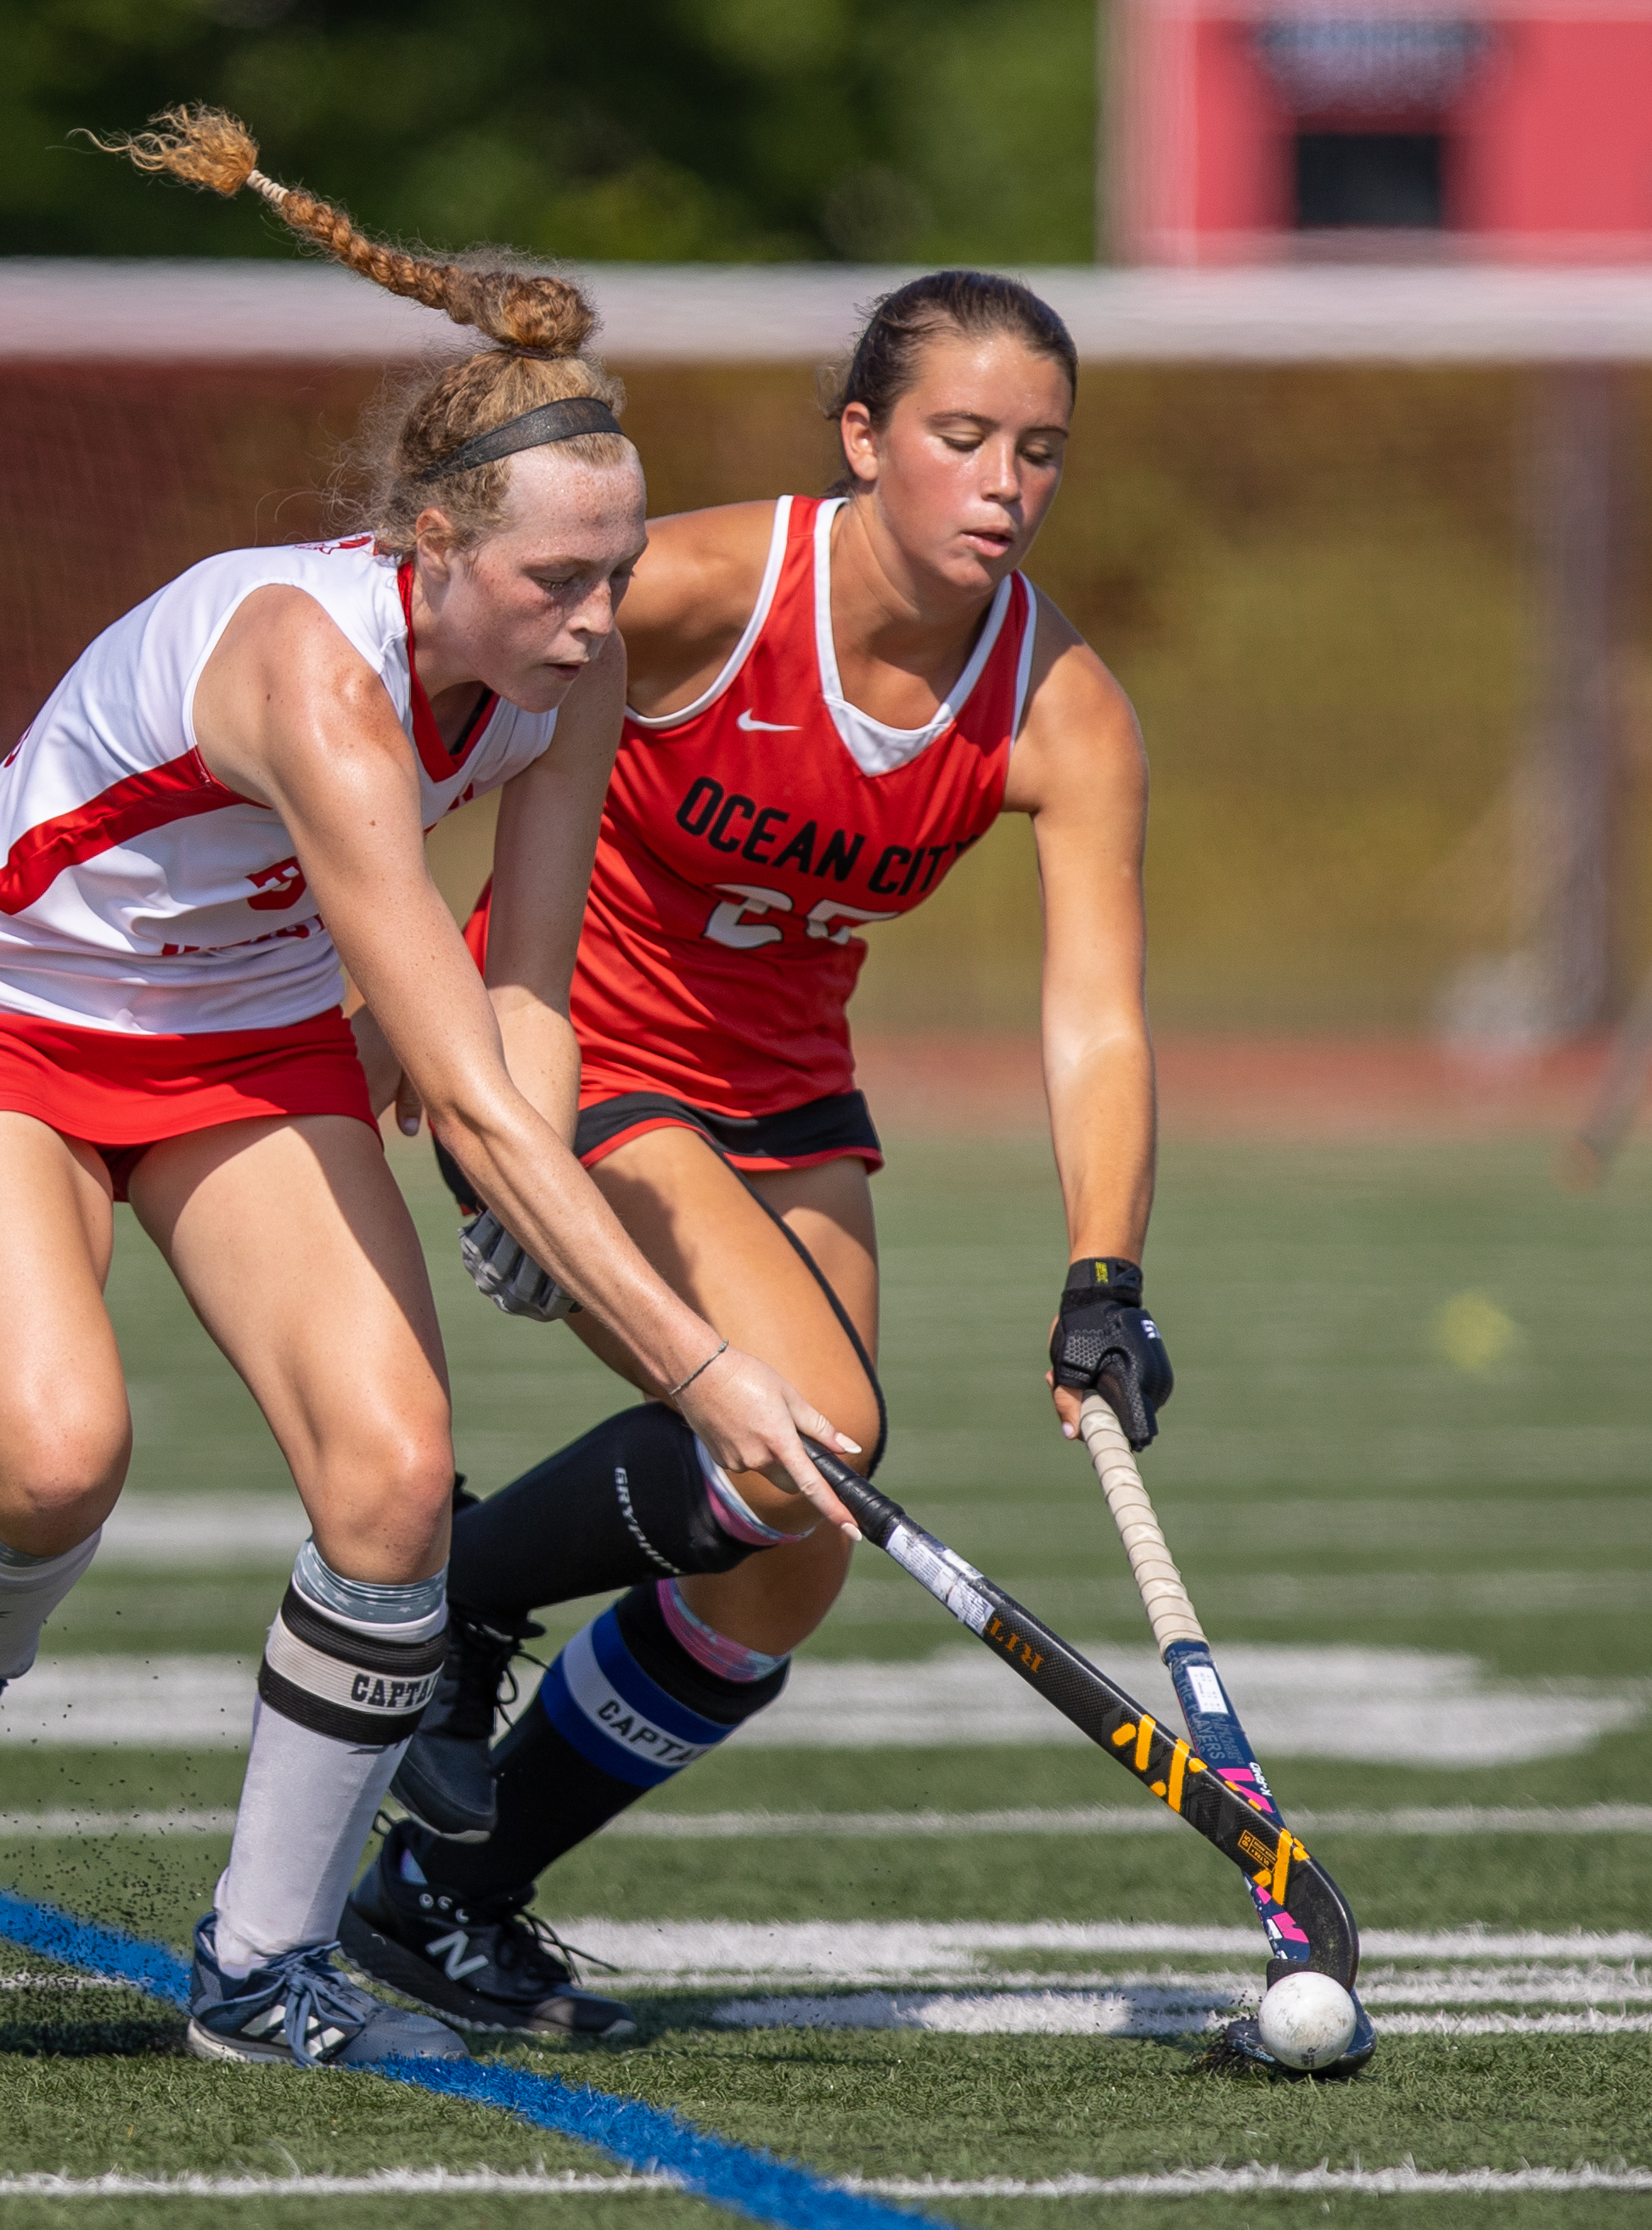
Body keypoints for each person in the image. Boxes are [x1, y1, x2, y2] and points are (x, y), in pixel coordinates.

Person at [0, 107, 856, 2070]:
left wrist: (534, 1181)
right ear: (429, 546)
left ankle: (255, 1968)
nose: (596, 615)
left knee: (390, 1485)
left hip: (252, 1040)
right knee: (55, 1456)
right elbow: (458, 1094)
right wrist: (702, 1371)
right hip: (12, 1012)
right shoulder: (316, 672)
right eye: (559, 576)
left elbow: (521, 1003)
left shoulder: (568, 682)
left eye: (619, 572)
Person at [327, 271, 1166, 2041]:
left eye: (1039, 452)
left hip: (786, 1100)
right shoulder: (693, 589)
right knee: (816, 1441)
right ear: (863, 439)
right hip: (596, 1056)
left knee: (791, 1551)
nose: (1002, 484)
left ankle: (445, 1897)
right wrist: (459, 1069)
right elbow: (421, 734)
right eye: (959, 439)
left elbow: (1092, 1010)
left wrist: (1105, 1271)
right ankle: (452, 1597)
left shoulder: (1059, 704)